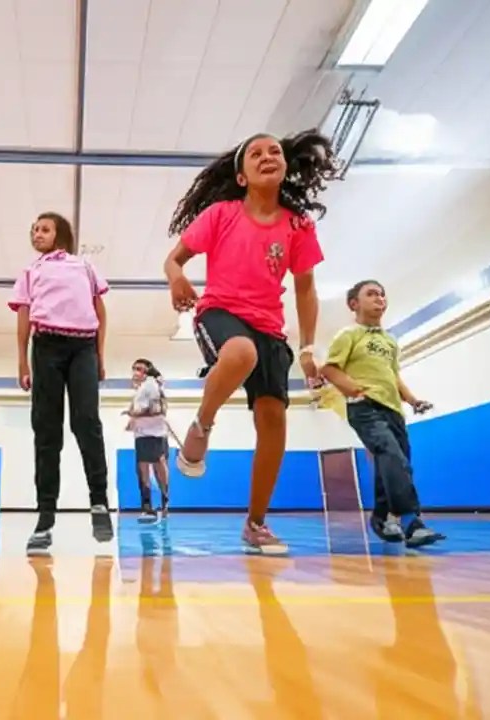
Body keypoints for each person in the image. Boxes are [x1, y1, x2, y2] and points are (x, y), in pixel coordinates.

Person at [163, 131, 335, 554]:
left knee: (274, 420)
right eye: (255, 154)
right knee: (241, 352)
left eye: (274, 151)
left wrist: (310, 348)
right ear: (241, 176)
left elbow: (306, 288)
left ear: (286, 166)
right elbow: (174, 258)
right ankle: (202, 424)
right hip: (220, 312)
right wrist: (177, 278)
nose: (267, 156)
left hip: (270, 326)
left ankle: (256, 524)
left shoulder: (298, 224)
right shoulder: (222, 214)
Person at [10, 212, 111, 554]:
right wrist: (23, 360)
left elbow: (100, 310)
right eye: (34, 229)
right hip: (46, 347)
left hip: (83, 346)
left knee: (87, 423)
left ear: (60, 234)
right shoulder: (31, 271)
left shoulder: (83, 266)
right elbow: (24, 316)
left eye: (44, 229)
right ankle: (45, 516)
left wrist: (99, 355)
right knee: (47, 430)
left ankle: (99, 502)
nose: (37, 234)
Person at [321, 280, 444, 548]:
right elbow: (329, 370)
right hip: (364, 407)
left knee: (392, 462)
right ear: (354, 304)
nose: (380, 298)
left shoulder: (390, 341)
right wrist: (351, 388)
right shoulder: (349, 335)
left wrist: (412, 400)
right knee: (391, 455)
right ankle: (412, 522)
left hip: (394, 410)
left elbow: (393, 376)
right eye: (371, 294)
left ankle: (381, 518)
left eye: (382, 294)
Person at [124, 358, 170, 523]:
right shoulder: (142, 389)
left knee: (154, 468)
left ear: (147, 372)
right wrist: (132, 420)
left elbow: (158, 409)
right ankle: (151, 506)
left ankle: (155, 505)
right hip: (143, 434)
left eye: (140, 369)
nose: (136, 372)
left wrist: (135, 414)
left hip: (154, 434)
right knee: (143, 469)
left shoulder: (150, 385)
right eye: (134, 368)